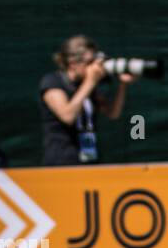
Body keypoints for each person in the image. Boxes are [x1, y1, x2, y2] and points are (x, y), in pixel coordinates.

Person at [39, 34, 137, 165]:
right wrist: (90, 81)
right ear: (73, 64)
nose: (94, 67)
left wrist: (123, 85)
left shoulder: (87, 86)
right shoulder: (53, 82)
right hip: (62, 162)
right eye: (89, 63)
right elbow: (67, 116)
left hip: (89, 158)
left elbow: (113, 113)